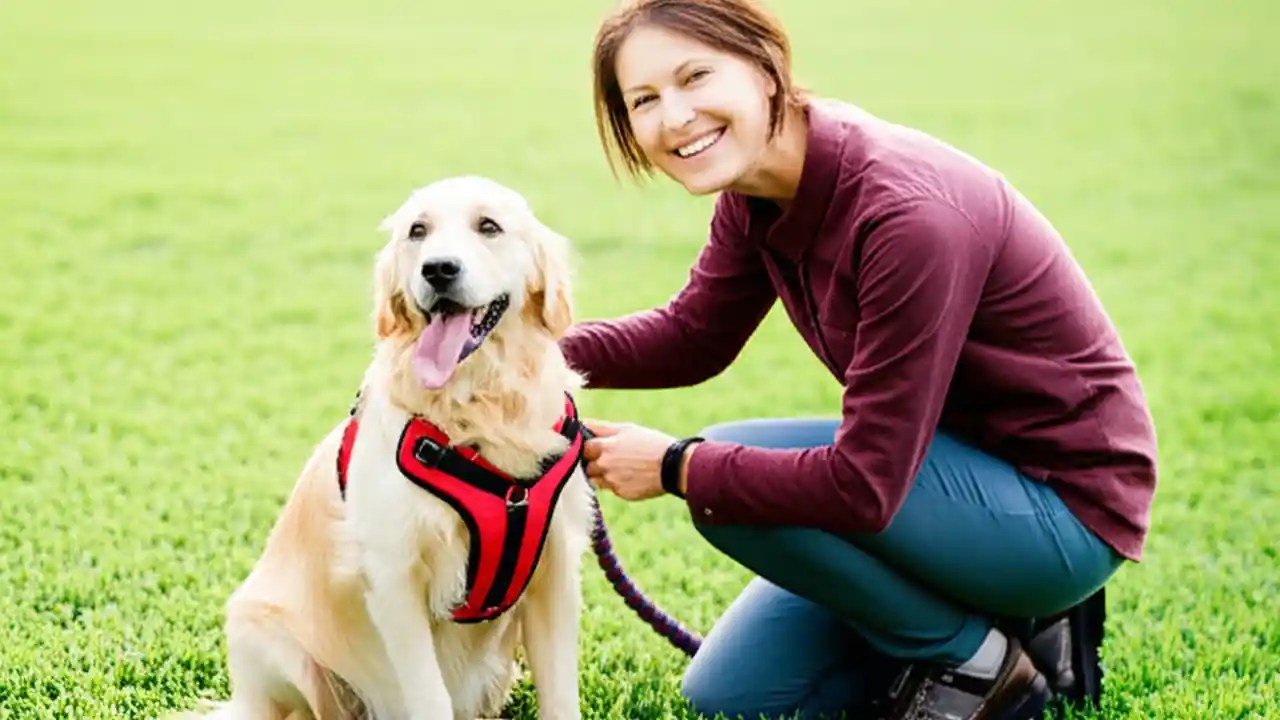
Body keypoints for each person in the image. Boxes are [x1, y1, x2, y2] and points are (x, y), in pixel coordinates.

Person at [561, 1, 1158, 718]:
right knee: (735, 696)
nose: (675, 117)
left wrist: (673, 467)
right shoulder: (760, 187)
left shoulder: (907, 216)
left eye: (695, 77)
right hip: (943, 476)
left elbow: (865, 485)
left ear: (763, 65)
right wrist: (523, 353)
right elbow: (694, 336)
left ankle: (978, 663)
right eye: (645, 101)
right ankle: (1014, 625)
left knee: (720, 470)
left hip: (1061, 511)